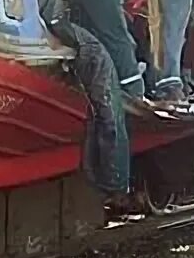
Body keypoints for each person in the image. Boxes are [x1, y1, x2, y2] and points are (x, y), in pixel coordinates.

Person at [47, 18, 132, 212]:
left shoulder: (84, 46)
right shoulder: (72, 34)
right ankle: (111, 184)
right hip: (89, 60)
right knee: (104, 121)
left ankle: (114, 185)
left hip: (91, 62)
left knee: (106, 120)